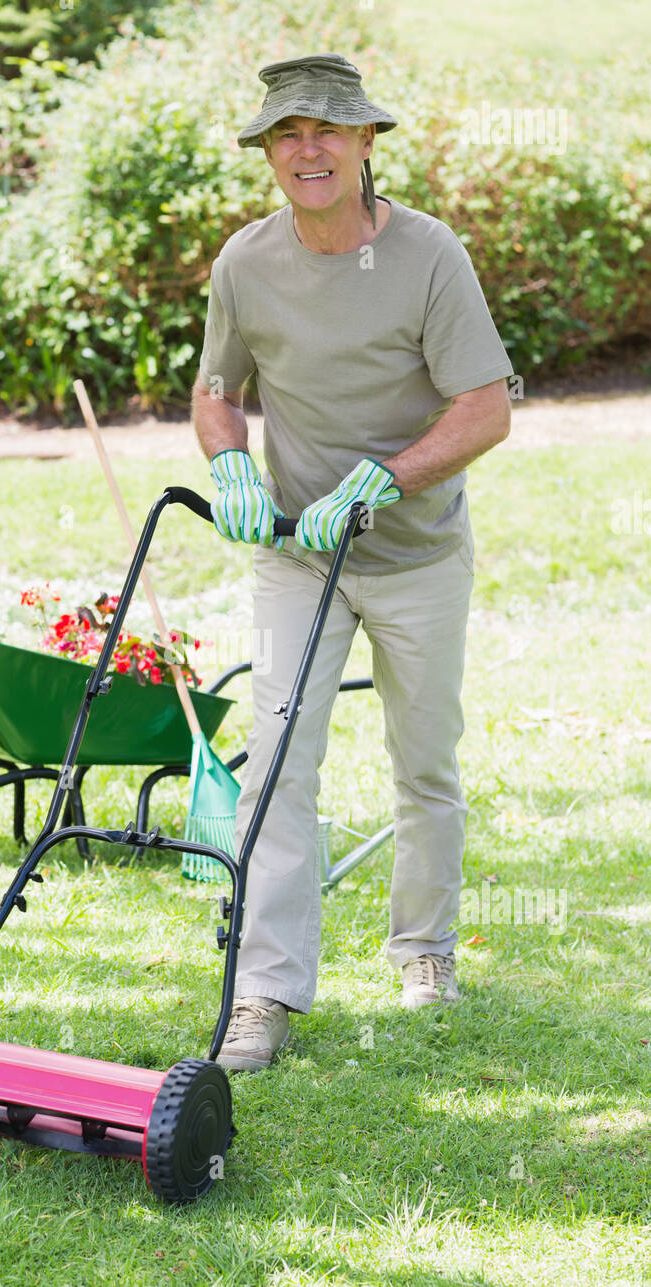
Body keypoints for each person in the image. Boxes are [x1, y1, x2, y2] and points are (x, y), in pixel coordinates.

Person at [191, 54, 513, 1072]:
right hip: (296, 555)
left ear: (366, 142)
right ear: (267, 153)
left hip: (413, 553)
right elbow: (215, 389)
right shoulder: (244, 262)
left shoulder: (427, 256)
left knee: (422, 763)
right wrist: (229, 462)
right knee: (276, 763)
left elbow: (485, 407)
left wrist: (388, 477)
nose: (306, 149)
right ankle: (264, 993)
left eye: (326, 130)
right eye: (286, 134)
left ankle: (423, 952)